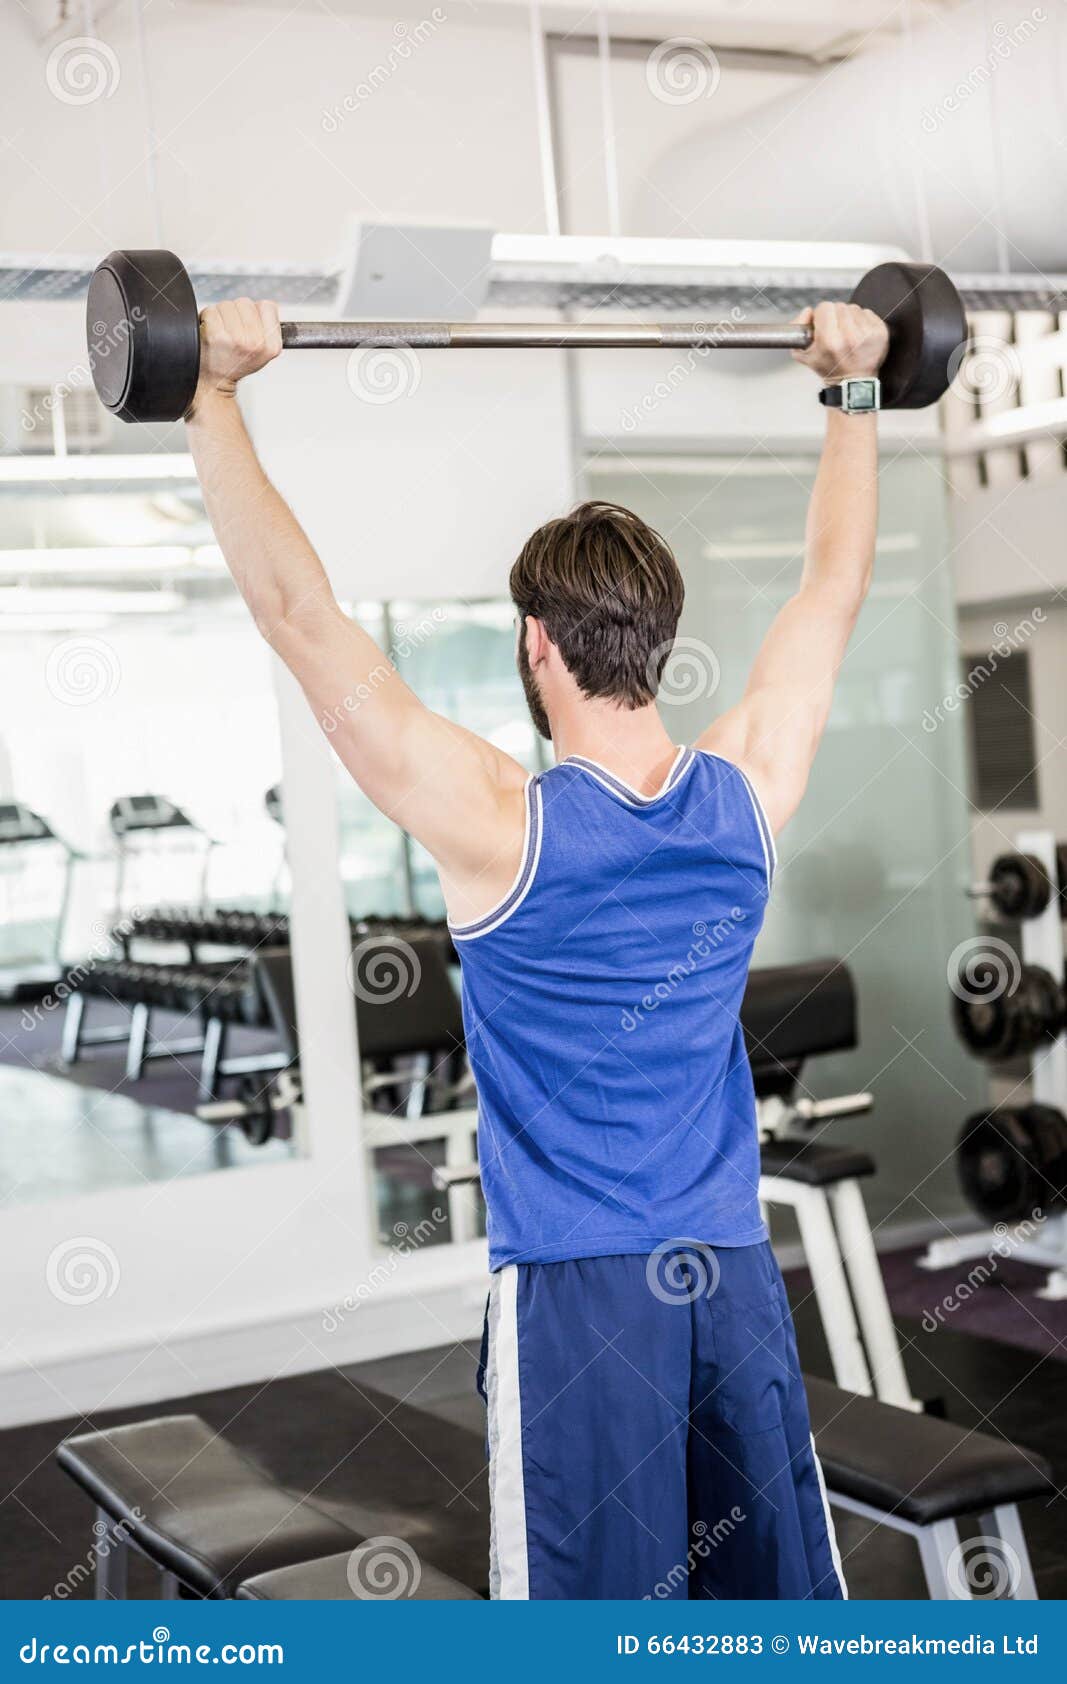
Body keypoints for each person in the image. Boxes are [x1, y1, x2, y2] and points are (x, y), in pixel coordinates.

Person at [185, 295, 889, 1601]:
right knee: (773, 1624)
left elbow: (297, 612)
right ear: (658, 642)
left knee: (583, 1632)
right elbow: (832, 592)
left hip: (580, 1304)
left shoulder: (497, 823)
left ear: (536, 644)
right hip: (731, 1281)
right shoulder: (746, 789)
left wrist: (214, 392)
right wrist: (851, 390)